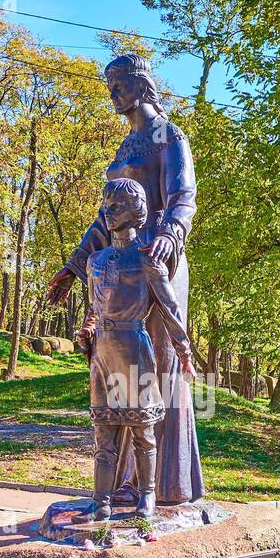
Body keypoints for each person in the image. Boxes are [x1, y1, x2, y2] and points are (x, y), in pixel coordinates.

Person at [47, 53, 204, 504]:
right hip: (120, 262)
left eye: (119, 84)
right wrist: (75, 267)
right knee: (120, 371)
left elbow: (183, 199)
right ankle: (120, 484)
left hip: (159, 263)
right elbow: (106, 217)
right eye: (109, 86)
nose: (113, 93)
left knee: (154, 371)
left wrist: (171, 236)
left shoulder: (168, 136)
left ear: (140, 84)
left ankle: (162, 486)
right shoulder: (124, 147)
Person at [79, 179, 195, 520]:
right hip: (104, 353)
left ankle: (147, 497)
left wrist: (184, 353)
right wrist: (88, 329)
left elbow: (171, 311)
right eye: (105, 204)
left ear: (136, 212)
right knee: (104, 432)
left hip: (134, 349)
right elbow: (94, 306)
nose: (107, 211)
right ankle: (100, 502)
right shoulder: (95, 261)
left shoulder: (148, 262)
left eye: (115, 206)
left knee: (142, 431)